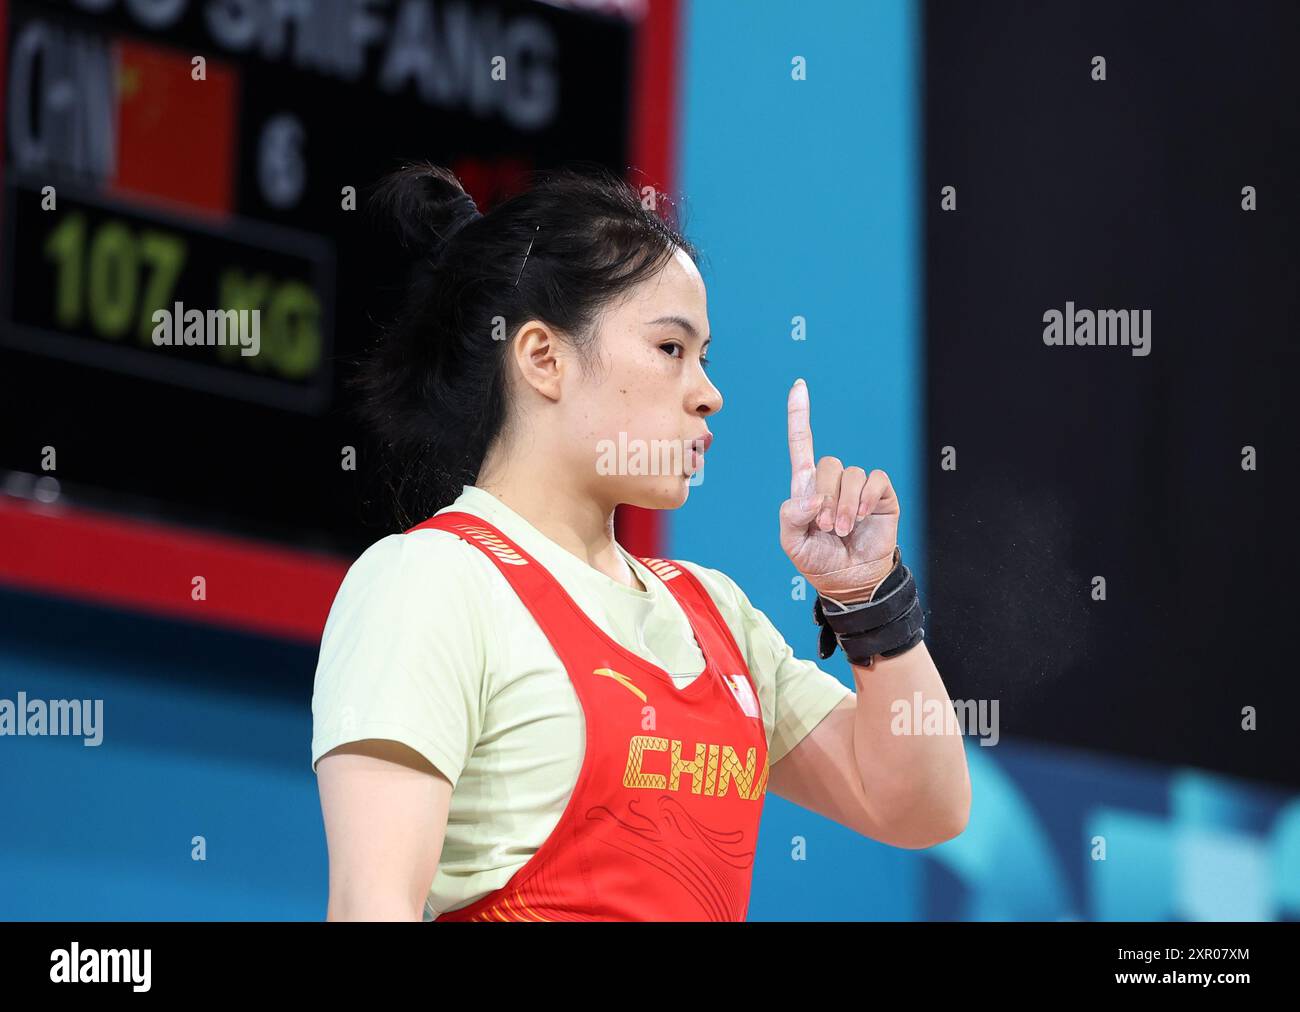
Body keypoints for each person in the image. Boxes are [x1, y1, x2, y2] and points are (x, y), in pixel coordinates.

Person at [311, 161, 969, 921]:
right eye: (670, 349)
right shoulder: (429, 581)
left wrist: (868, 600)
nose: (709, 392)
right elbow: (371, 906)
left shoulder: (714, 615)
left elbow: (923, 807)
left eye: (706, 357)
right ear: (543, 359)